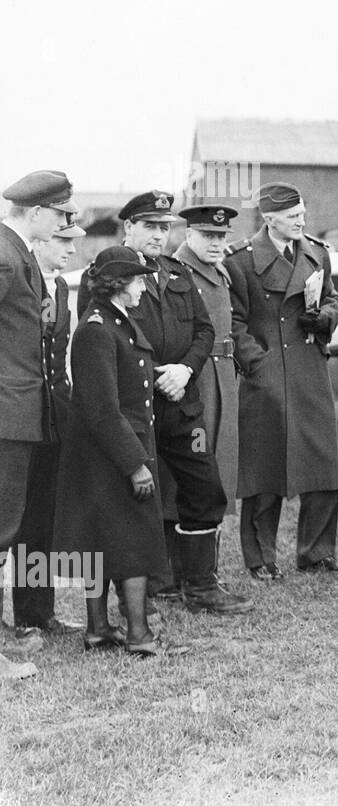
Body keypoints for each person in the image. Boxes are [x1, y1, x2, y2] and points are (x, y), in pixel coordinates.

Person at [85, 191, 249, 615]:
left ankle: (200, 585)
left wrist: (185, 371)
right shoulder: (107, 273)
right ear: (129, 228)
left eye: (165, 227)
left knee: (204, 485)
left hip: (181, 401)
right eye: (150, 226)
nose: (159, 235)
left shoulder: (177, 273)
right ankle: (150, 588)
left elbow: (204, 331)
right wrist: (159, 373)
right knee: (140, 495)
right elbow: (105, 337)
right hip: (137, 407)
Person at [52, 246, 189, 657]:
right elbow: (102, 410)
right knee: (133, 541)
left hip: (111, 450)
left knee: (104, 539)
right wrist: (136, 465)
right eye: (137, 280)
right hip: (113, 453)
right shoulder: (98, 329)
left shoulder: (114, 321)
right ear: (117, 283)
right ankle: (139, 636)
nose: (144, 288)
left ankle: (99, 629)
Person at [225, 182, 338, 579]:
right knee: (264, 470)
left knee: (322, 464)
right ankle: (261, 558)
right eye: (293, 217)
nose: (301, 221)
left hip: (310, 369)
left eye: (302, 214)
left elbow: (333, 299)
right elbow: (234, 322)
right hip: (266, 375)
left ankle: (317, 552)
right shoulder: (241, 262)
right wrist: (256, 364)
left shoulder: (316, 253)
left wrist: (327, 317)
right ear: (269, 219)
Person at [1, 169, 78, 680]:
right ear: (35, 212)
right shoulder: (6, 255)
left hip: (22, 413)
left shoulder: (18, 252)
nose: (64, 223)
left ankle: (30, 616)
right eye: (59, 214)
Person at [10, 215, 88, 642]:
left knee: (41, 520)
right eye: (61, 240)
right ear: (38, 242)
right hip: (16, 417)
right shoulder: (17, 284)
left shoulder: (59, 288)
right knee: (11, 520)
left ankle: (35, 615)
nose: (69, 249)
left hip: (51, 419)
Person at [174, 204, 243, 510]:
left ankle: (208, 540)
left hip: (224, 375)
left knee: (221, 459)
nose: (216, 243)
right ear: (189, 234)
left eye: (221, 235)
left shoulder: (219, 269)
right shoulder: (176, 272)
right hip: (196, 378)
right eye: (207, 235)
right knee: (195, 463)